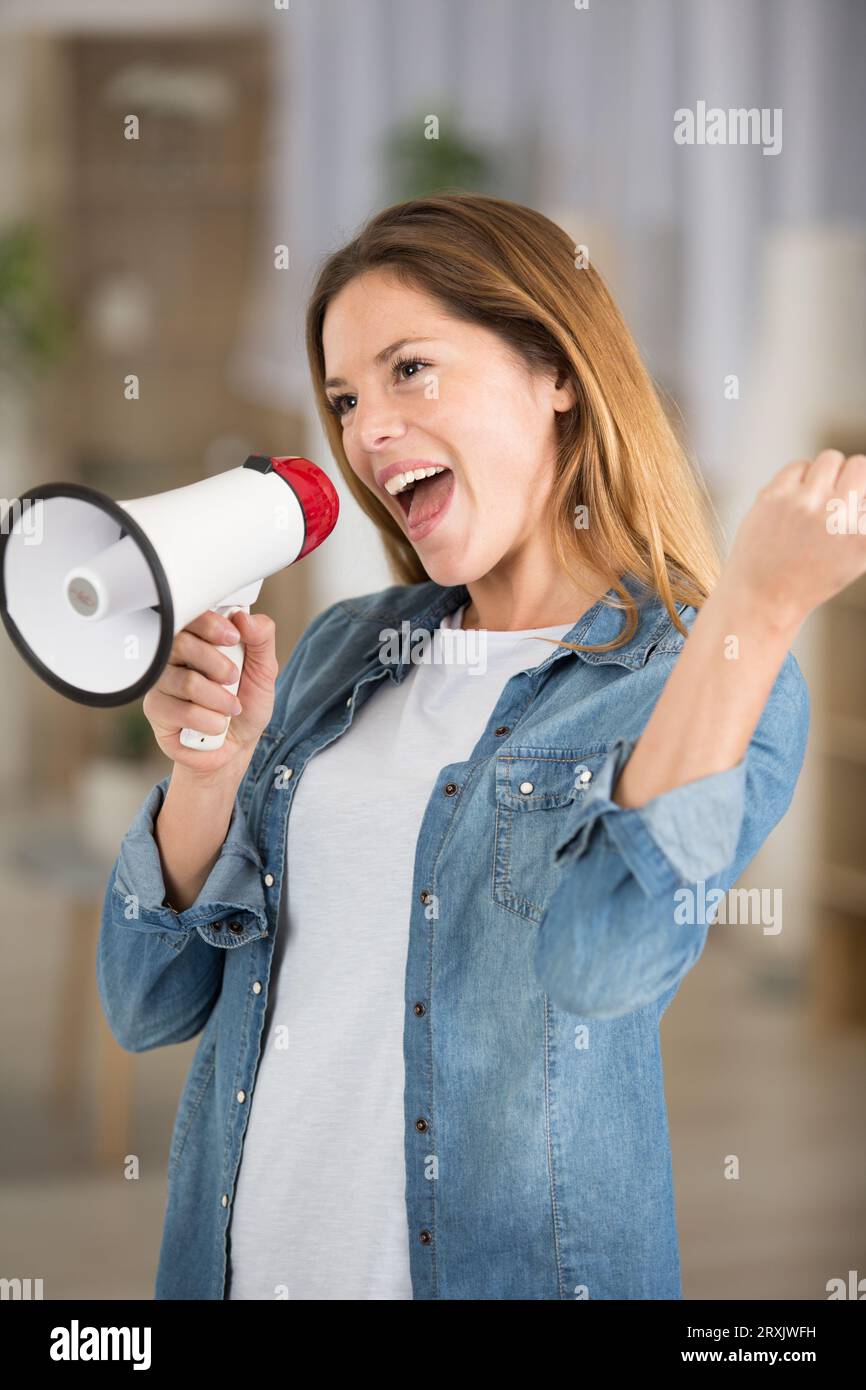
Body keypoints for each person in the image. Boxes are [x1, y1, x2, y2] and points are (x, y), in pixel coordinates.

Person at [97, 191, 865, 1300]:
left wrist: (754, 601)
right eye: (345, 396)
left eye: (411, 369)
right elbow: (146, 999)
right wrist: (208, 770)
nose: (365, 432)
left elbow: (604, 963)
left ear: (555, 369)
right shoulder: (341, 652)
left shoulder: (700, 673)